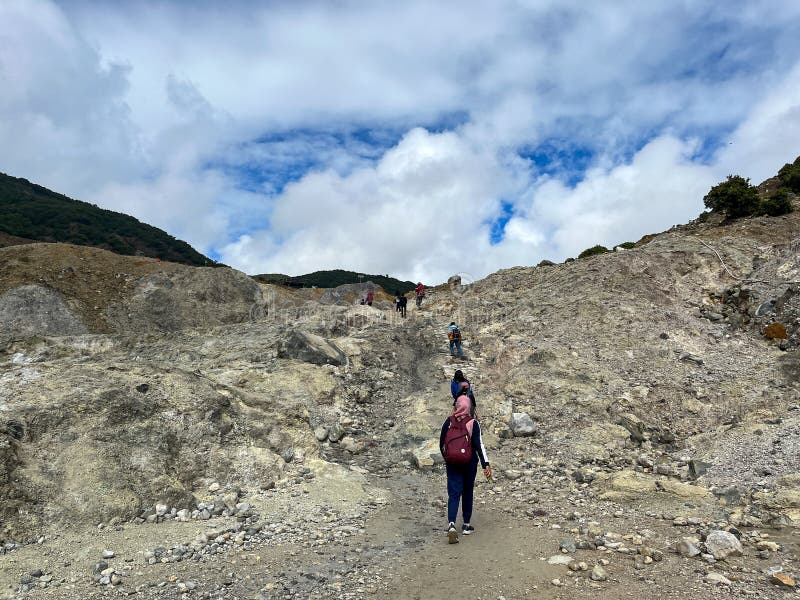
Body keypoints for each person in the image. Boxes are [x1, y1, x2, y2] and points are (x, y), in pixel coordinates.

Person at [440, 392, 492, 544]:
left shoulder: (448, 422)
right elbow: (478, 445)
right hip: (469, 463)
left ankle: (451, 524)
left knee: (454, 493)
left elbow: (441, 443)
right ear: (469, 407)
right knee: (467, 491)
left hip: (452, 463)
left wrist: (447, 459)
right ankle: (466, 525)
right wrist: (485, 464)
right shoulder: (473, 423)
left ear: (457, 406)